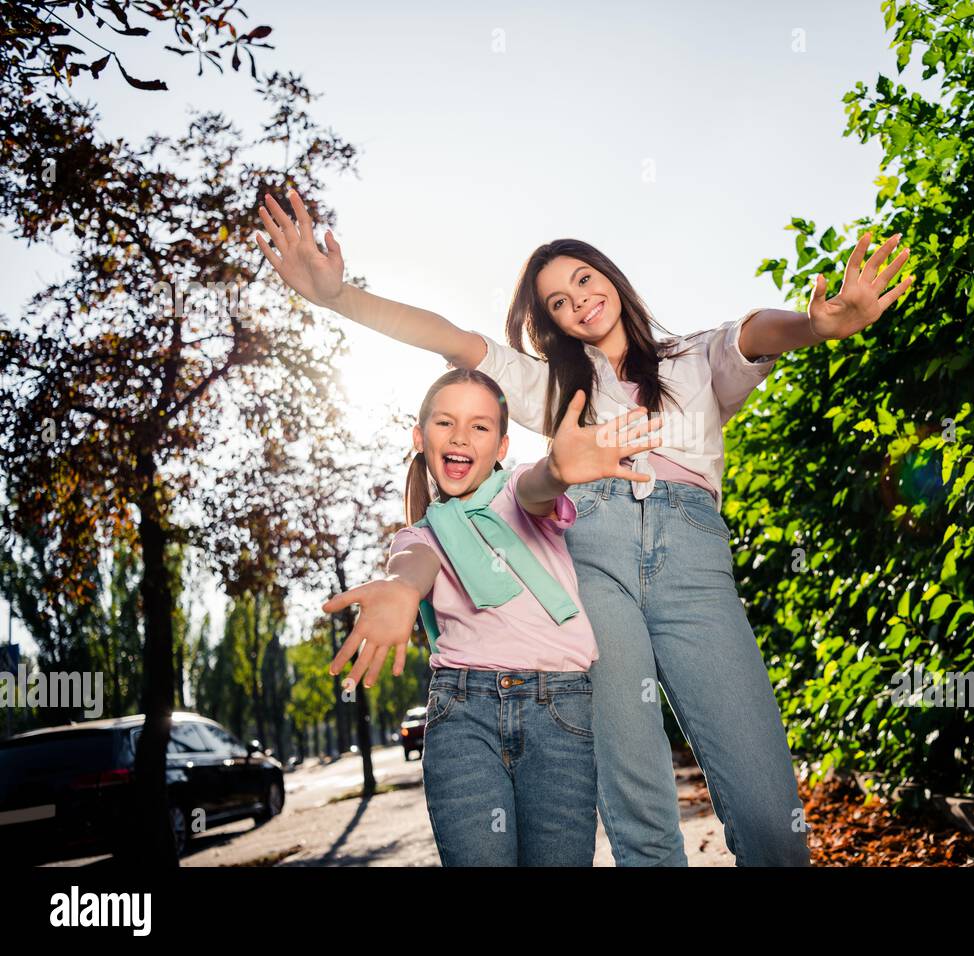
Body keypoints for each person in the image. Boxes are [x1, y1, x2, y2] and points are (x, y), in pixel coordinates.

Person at [257, 188, 914, 865]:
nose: (577, 304)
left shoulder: (693, 357)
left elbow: (754, 331)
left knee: (769, 807)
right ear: (550, 323)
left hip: (692, 569)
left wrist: (816, 326)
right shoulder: (553, 388)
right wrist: (340, 298)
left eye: (583, 281)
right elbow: (450, 338)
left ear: (610, 277)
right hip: (593, 568)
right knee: (640, 808)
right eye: (557, 304)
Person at [322, 366, 661, 865]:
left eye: (479, 426)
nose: (461, 436)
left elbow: (538, 487)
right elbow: (413, 564)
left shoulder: (517, 492)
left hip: (560, 709)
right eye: (445, 423)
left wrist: (559, 469)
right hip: (463, 712)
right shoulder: (421, 536)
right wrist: (399, 587)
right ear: (420, 437)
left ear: (501, 446)